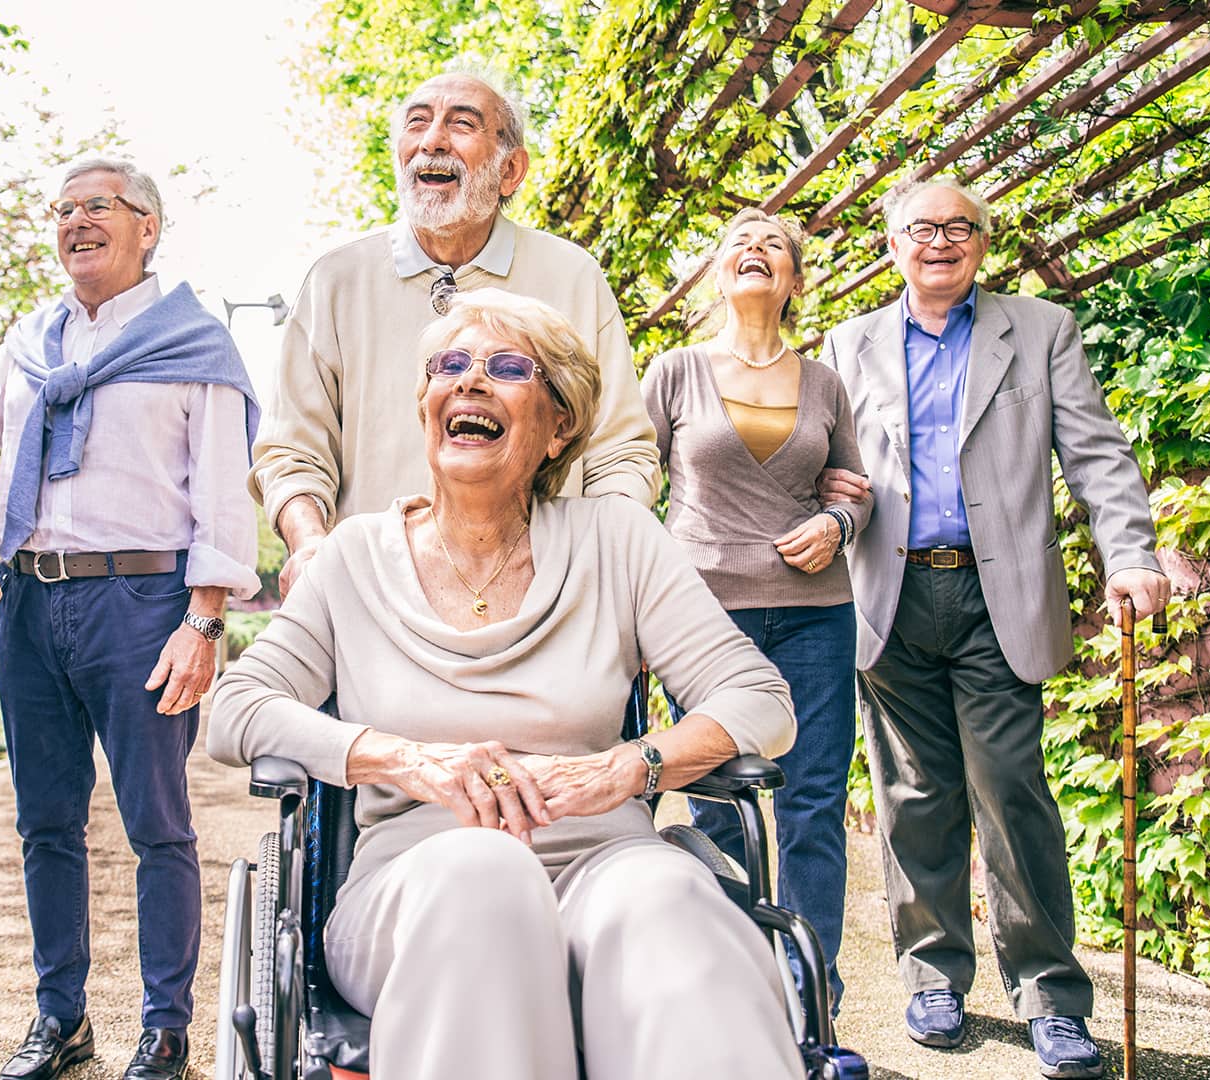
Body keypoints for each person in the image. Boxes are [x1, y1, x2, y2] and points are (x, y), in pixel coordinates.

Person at [212, 289, 804, 1080]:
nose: (469, 383)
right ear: (425, 406)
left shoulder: (618, 541)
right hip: (415, 882)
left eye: (507, 368)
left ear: (560, 425)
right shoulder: (353, 558)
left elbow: (759, 698)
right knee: (487, 876)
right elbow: (237, 709)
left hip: (605, 864)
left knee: (671, 902)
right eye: (449, 366)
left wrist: (628, 766)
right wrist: (402, 760)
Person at [816, 177, 1170, 1079]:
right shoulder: (848, 343)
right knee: (912, 798)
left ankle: (1051, 994)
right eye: (921, 228)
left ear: (983, 241)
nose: (940, 241)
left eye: (959, 228)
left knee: (1012, 794)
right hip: (889, 595)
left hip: (996, 596)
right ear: (892, 243)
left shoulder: (1039, 329)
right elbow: (828, 469)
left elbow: (1095, 450)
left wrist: (1130, 551)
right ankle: (933, 974)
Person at [0, 158, 260, 1080]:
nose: (76, 222)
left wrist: (203, 622)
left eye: (99, 206)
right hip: (28, 601)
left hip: (142, 604)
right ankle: (61, 1017)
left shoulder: (193, 343)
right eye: (64, 209)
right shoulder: (28, 342)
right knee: (45, 823)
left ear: (147, 227)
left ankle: (166, 1026)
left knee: (156, 824)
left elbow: (221, 493)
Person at [251, 70, 659, 597]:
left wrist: (609, 563)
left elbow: (618, 450)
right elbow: (291, 453)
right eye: (416, 123)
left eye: (461, 124)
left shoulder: (573, 275)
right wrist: (309, 544)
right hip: (373, 600)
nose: (432, 140)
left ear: (510, 170)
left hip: (542, 599)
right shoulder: (336, 280)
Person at [641, 208, 871, 1014]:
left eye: (774, 243)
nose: (754, 249)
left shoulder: (825, 383)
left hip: (816, 613)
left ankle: (812, 999)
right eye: (738, 240)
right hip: (703, 618)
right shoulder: (673, 372)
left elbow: (856, 490)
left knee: (812, 806)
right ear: (718, 273)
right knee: (719, 801)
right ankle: (733, 990)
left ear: (794, 280)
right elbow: (633, 486)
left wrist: (838, 523)